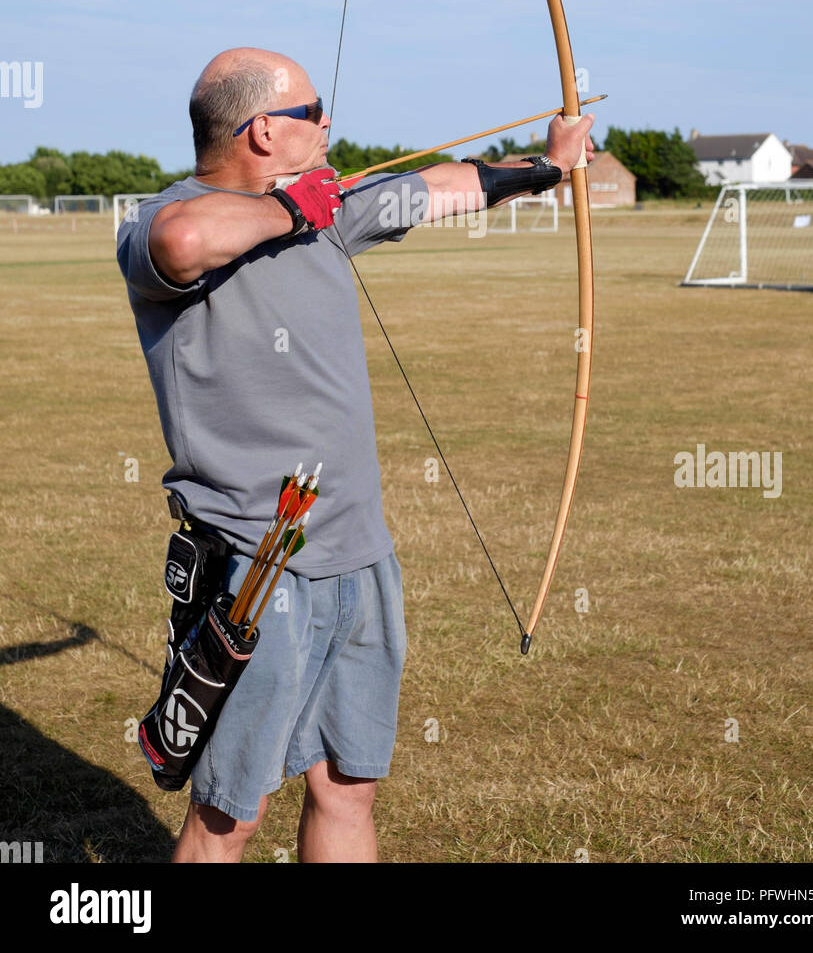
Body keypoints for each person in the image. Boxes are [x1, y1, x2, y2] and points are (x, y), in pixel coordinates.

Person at [117, 46, 593, 863]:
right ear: (262, 130)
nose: (328, 124)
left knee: (348, 783)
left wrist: (545, 168)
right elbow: (186, 240)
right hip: (255, 566)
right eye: (313, 112)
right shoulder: (163, 222)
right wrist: (297, 210)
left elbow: (444, 184)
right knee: (231, 810)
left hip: (359, 554)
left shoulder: (329, 207)